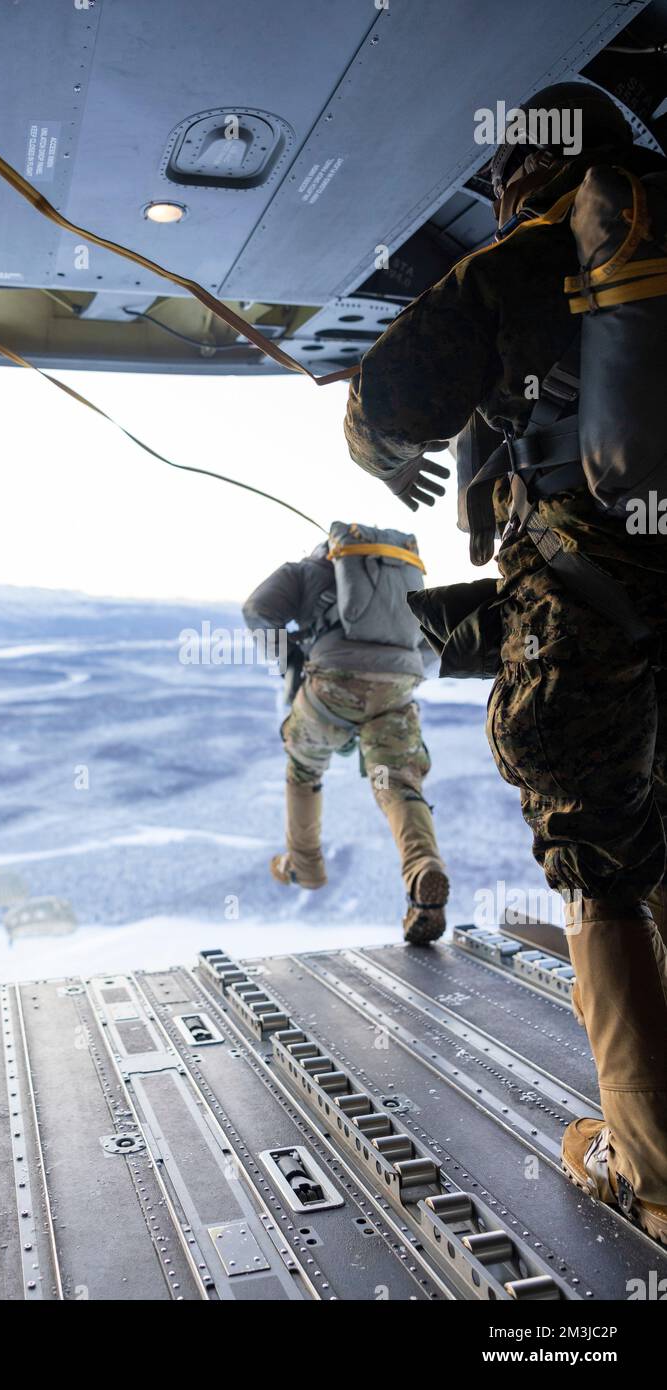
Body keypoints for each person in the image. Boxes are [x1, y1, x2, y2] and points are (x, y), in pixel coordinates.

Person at [343, 82, 667, 1243]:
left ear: (529, 171)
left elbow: (385, 400)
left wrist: (378, 453)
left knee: (597, 863)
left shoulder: (523, 261)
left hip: (589, 621)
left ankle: (652, 1172)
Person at [242, 524, 449, 946]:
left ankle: (306, 864)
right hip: (398, 685)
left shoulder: (303, 572)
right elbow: (431, 643)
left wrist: (293, 662)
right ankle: (422, 867)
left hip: (332, 683)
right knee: (397, 782)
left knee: (303, 766)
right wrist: (398, 675)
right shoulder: (403, 576)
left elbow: (257, 611)